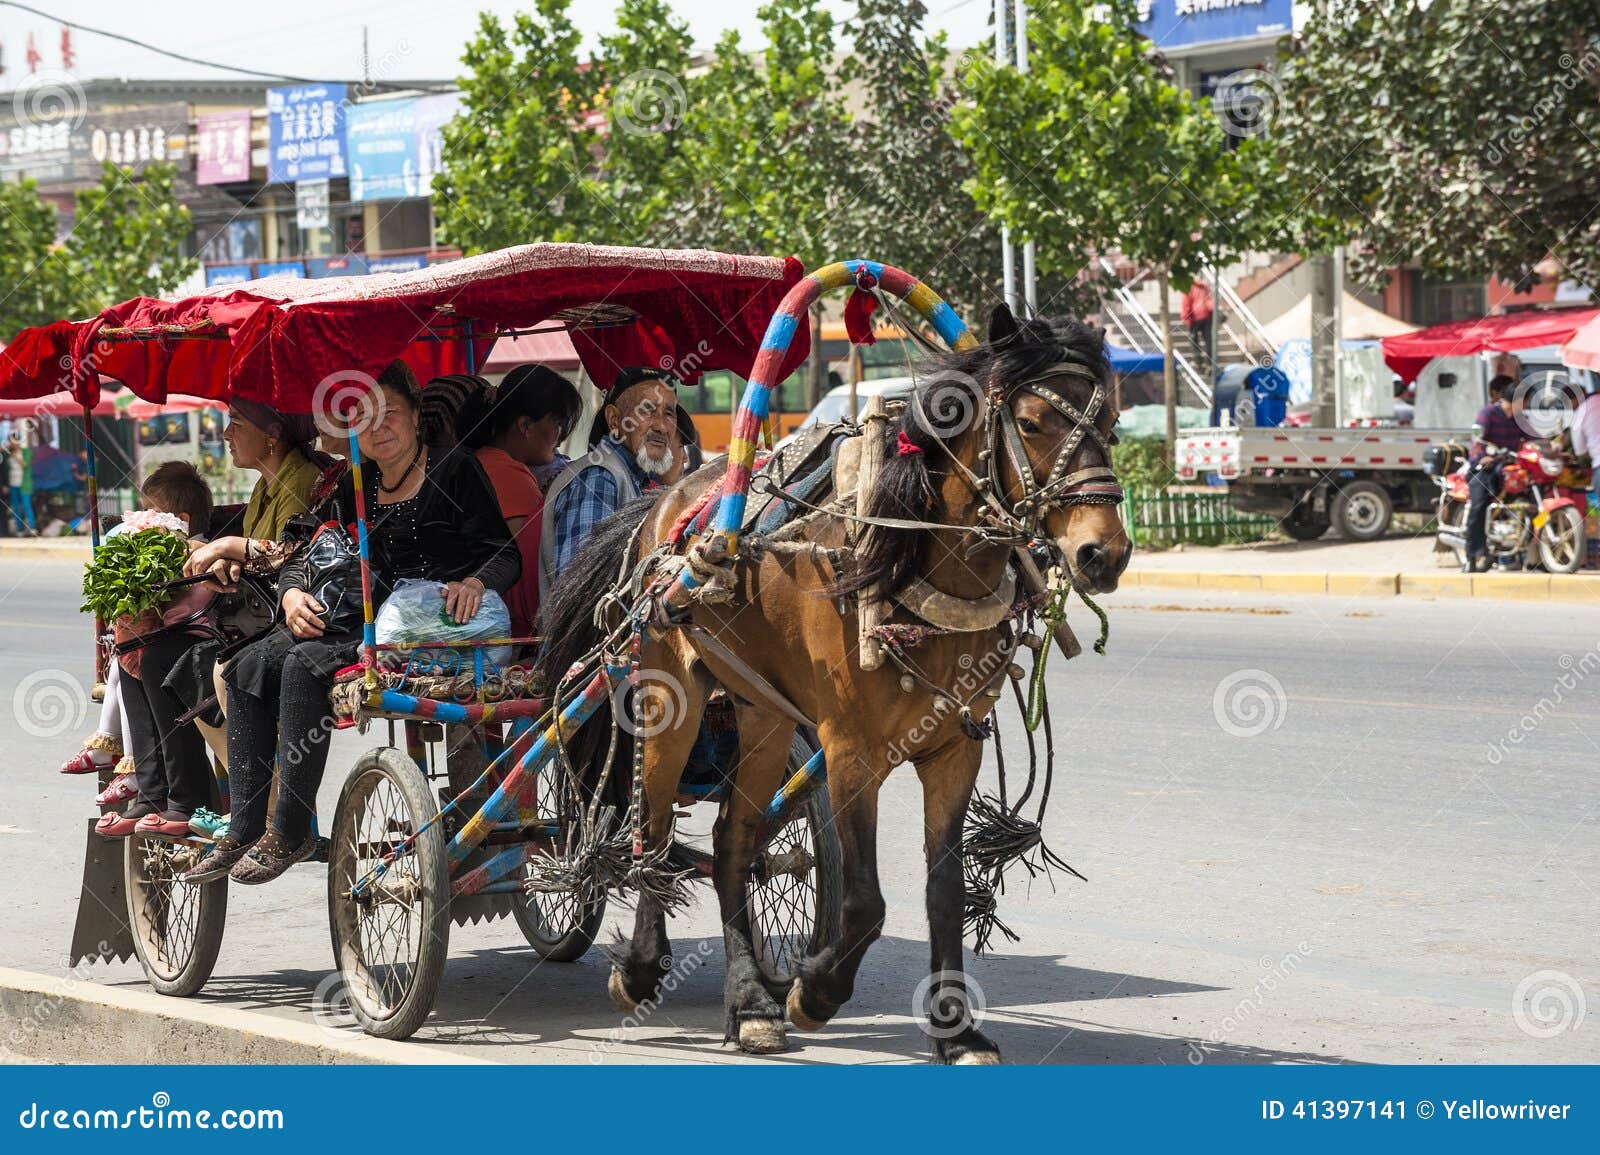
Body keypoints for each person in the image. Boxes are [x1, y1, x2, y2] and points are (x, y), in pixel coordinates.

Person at [187, 368, 519, 885]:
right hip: (355, 617)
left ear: (414, 415)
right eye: (363, 418)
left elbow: (504, 553)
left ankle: (291, 828)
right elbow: (301, 547)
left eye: (389, 413)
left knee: (301, 664)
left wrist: (475, 581)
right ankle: (246, 826)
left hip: (439, 631)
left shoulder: (454, 472)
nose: (378, 427)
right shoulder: (352, 482)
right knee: (243, 665)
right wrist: (292, 592)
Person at [93, 463, 219, 837]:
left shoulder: (201, 550)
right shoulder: (162, 550)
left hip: (202, 637)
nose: (144, 519)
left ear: (180, 519)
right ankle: (152, 790)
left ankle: (185, 799)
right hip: (163, 637)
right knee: (133, 660)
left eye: (153, 512)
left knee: (156, 663)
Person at [459, 365, 582, 635]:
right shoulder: (509, 475)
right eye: (558, 424)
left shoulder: (482, 461)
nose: (560, 438)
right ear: (525, 426)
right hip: (502, 624)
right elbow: (525, 566)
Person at [540, 366, 678, 596]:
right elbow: (581, 588)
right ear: (614, 420)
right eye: (647, 411)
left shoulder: (631, 477)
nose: (661, 426)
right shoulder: (598, 477)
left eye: (669, 413)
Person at [1464, 374, 1531, 571]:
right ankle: (1471, 555)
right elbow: (1476, 440)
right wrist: (1481, 457)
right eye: (1525, 402)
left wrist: (1550, 445)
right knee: (1479, 507)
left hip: (1506, 469)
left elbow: (1533, 438)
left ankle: (1514, 552)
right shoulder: (1488, 413)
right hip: (1482, 469)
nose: (1526, 407)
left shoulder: (1520, 419)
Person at [7, 433, 35, 537]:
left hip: (24, 484)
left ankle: (32, 528)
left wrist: (16, 456)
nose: (12, 443)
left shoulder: (26, 451)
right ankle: (20, 530)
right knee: (16, 508)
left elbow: (25, 465)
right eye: (10, 441)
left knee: (26, 505)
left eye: (14, 440)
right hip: (12, 483)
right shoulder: (7, 453)